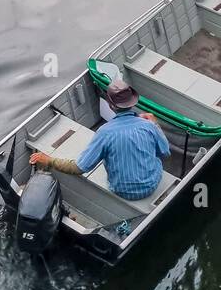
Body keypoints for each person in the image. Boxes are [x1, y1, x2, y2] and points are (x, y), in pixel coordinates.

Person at [30, 79, 170, 201]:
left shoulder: (104, 132)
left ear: (110, 105)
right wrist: (155, 124)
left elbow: (79, 168)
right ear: (132, 102)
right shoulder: (148, 125)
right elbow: (165, 152)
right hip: (152, 184)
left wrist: (49, 160)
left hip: (123, 191)